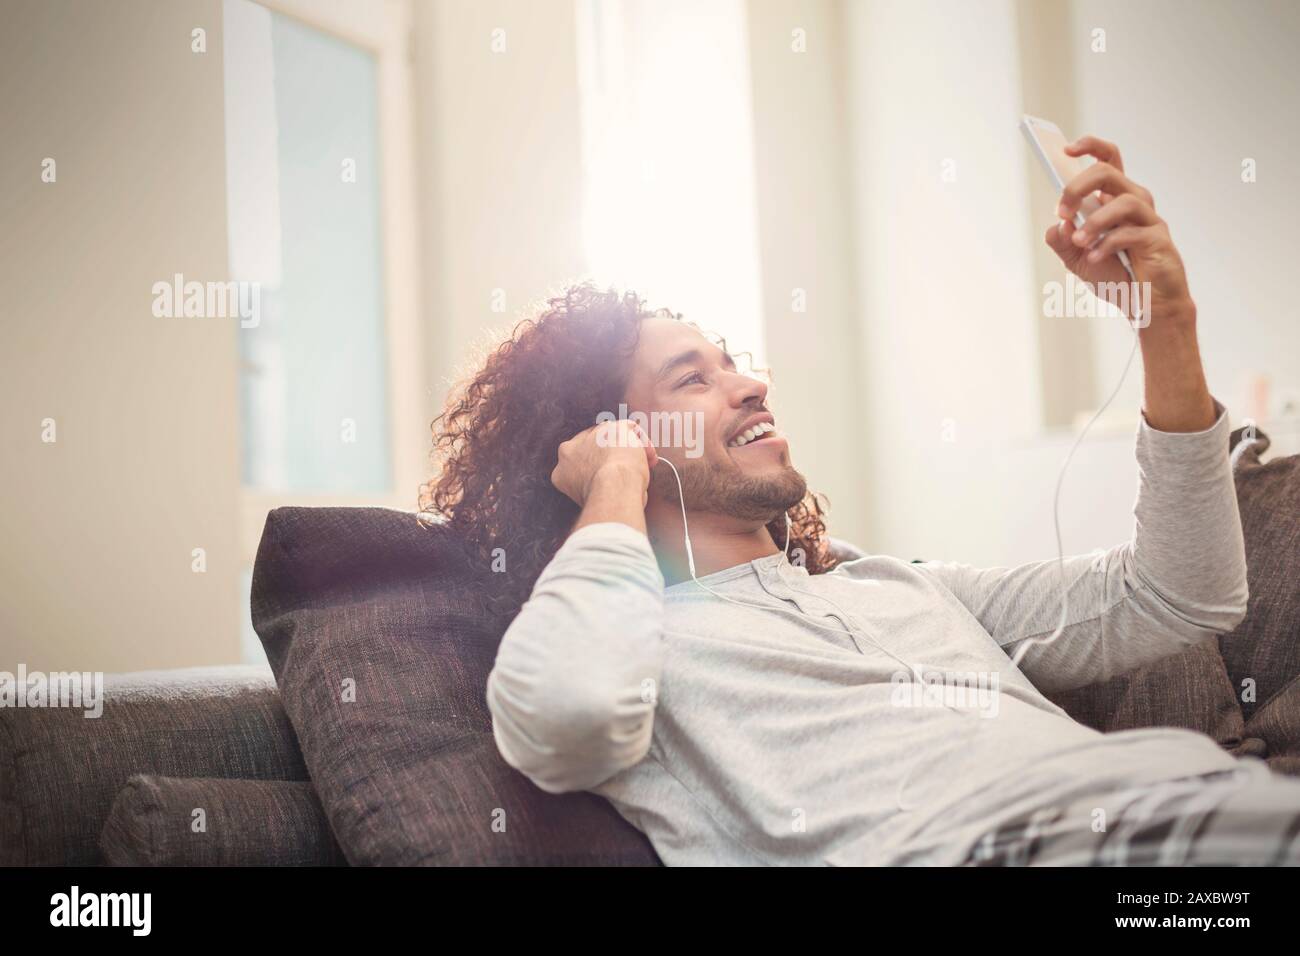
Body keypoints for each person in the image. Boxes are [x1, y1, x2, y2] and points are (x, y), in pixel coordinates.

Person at [422, 135, 1300, 865]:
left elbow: (1184, 595)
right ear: (610, 434)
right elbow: (568, 719)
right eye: (694, 378)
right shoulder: (630, 645)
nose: (754, 383)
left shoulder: (894, 586)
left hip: (1201, 817)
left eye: (736, 360)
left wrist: (1166, 324)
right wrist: (615, 479)